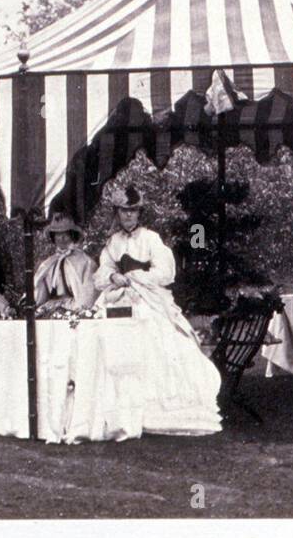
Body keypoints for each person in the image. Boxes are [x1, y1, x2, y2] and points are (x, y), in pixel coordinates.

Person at [93, 183, 221, 435]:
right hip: (119, 295)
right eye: (123, 211)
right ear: (117, 213)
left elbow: (165, 272)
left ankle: (154, 409)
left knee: (156, 336)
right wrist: (112, 277)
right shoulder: (113, 242)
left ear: (140, 213)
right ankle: (116, 407)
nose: (128, 216)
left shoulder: (150, 239)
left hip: (146, 295)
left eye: (133, 211)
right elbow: (101, 272)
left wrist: (136, 276)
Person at [34, 213, 97, 314]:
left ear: (72, 235)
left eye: (65, 234)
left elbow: (88, 297)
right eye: (57, 234)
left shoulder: (85, 262)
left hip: (75, 307)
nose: (61, 238)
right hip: (52, 307)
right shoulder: (48, 264)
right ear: (53, 236)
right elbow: (39, 295)